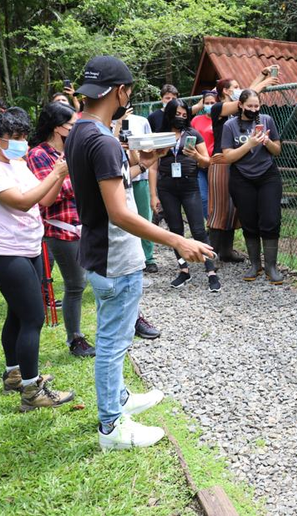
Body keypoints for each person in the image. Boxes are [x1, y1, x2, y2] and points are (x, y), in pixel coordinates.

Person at [65, 56, 213, 450]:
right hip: (116, 257)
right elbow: (120, 212)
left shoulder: (80, 131)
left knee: (113, 338)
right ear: (120, 92)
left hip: (97, 251)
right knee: (113, 344)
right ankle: (112, 427)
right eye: (129, 91)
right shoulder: (103, 140)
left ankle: (120, 398)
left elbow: (106, 185)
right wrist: (177, 241)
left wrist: (139, 164)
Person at [0, 98, 76, 411]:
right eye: (16, 138)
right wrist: (55, 172)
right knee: (34, 316)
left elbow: (43, 199)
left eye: (23, 137)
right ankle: (32, 393)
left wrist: (59, 174)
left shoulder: (16, 164)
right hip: (3, 253)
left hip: (28, 248)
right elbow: (20, 202)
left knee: (18, 314)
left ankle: (14, 374)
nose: (22, 144)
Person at [27, 102, 96, 358]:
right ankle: (75, 338)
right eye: (71, 125)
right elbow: (47, 196)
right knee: (76, 284)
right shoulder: (38, 155)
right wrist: (70, 180)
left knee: (98, 279)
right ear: (58, 128)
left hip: (86, 222)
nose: (75, 129)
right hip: (60, 228)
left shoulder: (73, 149)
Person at [205, 71, 279, 264]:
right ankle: (212, 256)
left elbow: (248, 97)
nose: (239, 90)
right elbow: (248, 97)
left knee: (233, 212)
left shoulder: (255, 116)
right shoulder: (219, 108)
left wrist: (260, 77)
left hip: (244, 165)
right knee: (219, 211)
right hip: (223, 162)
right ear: (225, 93)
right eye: (235, 88)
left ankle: (227, 252)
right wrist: (264, 83)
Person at [150, 99, 220, 292]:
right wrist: (153, 195)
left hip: (190, 184)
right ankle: (183, 269)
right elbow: (153, 167)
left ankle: (211, 271)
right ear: (169, 114)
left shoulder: (193, 134)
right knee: (175, 230)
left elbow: (206, 162)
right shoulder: (160, 135)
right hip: (167, 186)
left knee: (198, 229)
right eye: (177, 114)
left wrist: (196, 156)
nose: (180, 118)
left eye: (184, 115)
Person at [221, 89, 285, 283]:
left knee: (271, 219)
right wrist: (248, 144)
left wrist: (266, 141)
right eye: (249, 106)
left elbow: (277, 150)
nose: (254, 110)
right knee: (249, 220)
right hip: (242, 177)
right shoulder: (230, 125)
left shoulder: (266, 120)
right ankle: (255, 264)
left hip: (267, 174)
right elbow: (227, 157)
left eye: (256, 106)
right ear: (240, 105)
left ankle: (271, 267)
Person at [119, 110, 159, 274]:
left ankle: (148, 258)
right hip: (117, 178)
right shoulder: (106, 120)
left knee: (144, 218)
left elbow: (149, 152)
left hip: (139, 177)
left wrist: (153, 193)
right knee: (121, 219)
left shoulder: (141, 121)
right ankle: (127, 259)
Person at [189, 90, 217, 220]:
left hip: (216, 164)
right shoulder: (196, 120)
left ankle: (218, 224)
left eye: (212, 103)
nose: (209, 105)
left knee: (216, 196)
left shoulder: (222, 120)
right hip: (199, 163)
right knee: (203, 197)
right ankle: (210, 223)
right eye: (207, 103)